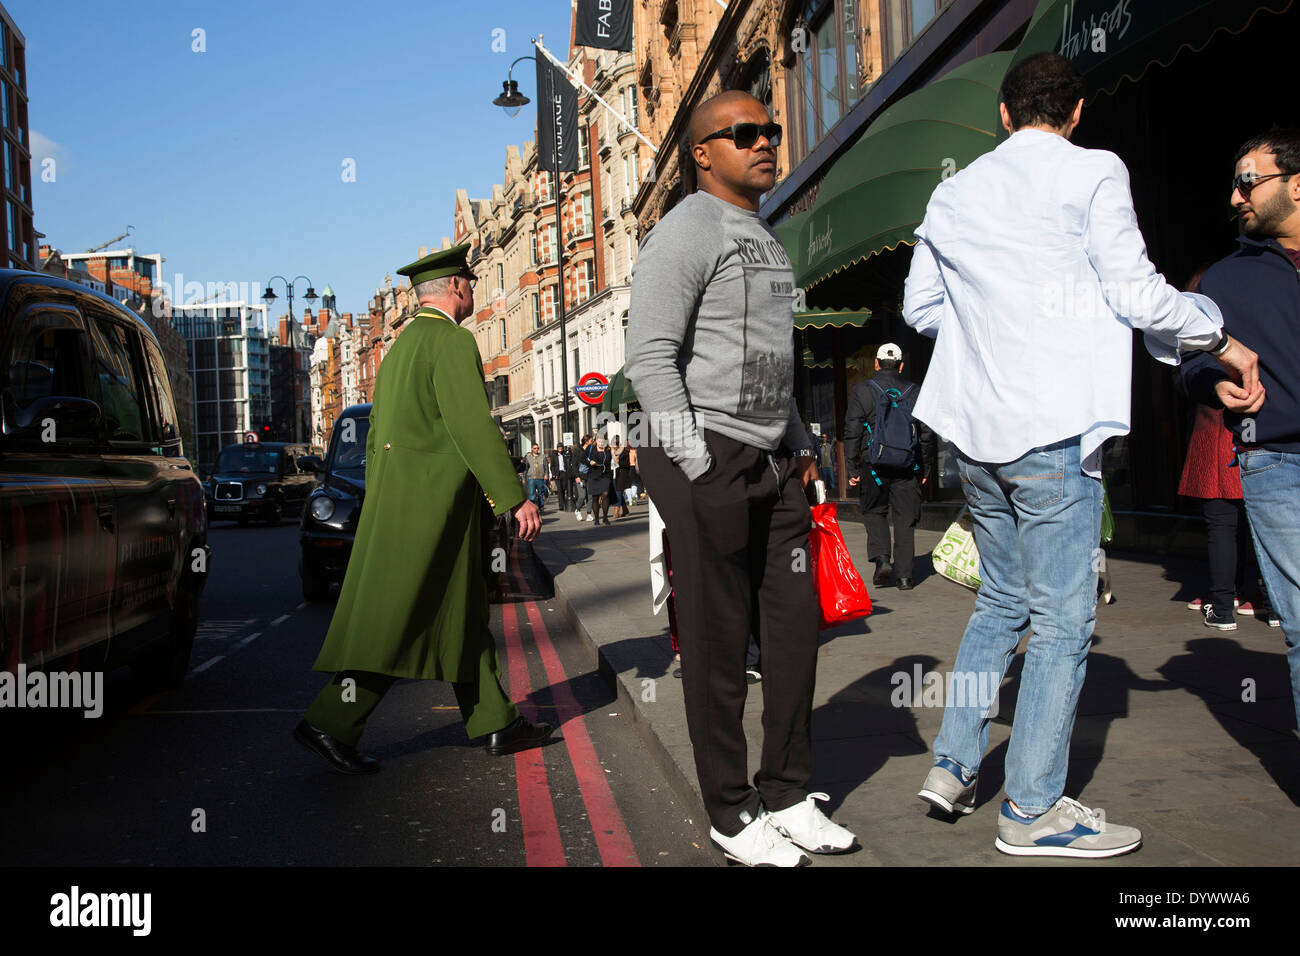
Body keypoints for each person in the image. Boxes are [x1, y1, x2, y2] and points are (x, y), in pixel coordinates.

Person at [902, 52, 1259, 858]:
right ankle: (1031, 812)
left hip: (972, 435)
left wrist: (990, 329)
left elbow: (920, 305)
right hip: (1051, 428)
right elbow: (1134, 292)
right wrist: (1218, 335)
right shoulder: (1095, 170)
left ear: (1002, 115)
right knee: (1063, 623)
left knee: (999, 601)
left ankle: (954, 765)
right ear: (1076, 112)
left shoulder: (953, 191)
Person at [627, 89, 856, 867]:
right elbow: (650, 358)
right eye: (745, 133)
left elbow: (770, 359)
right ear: (702, 153)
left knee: (793, 633)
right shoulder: (684, 231)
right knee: (721, 645)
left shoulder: (765, 234)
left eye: (772, 130)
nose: (766, 141)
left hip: (771, 461)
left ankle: (788, 792)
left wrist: (798, 446)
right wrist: (696, 460)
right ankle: (731, 811)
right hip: (708, 456)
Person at [295, 243, 554, 772]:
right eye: (471, 283)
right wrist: (515, 497)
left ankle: (497, 722)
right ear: (456, 287)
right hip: (437, 512)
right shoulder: (452, 342)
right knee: (401, 619)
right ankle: (329, 720)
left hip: (404, 504)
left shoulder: (402, 348)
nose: (474, 290)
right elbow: (472, 427)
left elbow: (380, 438)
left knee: (461, 614)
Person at [1181, 127, 1300, 733]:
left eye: (1249, 181)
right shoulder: (1225, 276)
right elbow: (1191, 358)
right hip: (1277, 461)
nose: (1236, 197)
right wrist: (1211, 382)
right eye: (1235, 185)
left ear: (1297, 185)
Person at [844, 344, 936, 590]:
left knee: (874, 511)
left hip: (873, 465)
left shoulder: (863, 391)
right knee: (905, 519)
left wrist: (852, 468)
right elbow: (926, 434)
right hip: (907, 465)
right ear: (901, 365)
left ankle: (882, 559)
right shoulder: (915, 391)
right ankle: (905, 577)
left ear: (876, 363)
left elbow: (852, 430)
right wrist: (925, 468)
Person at [584, 435, 614, 526]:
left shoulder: (608, 450)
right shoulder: (590, 449)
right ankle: (596, 519)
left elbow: (609, 462)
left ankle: (605, 517)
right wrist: (589, 462)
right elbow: (582, 459)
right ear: (596, 441)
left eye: (603, 441)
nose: (601, 443)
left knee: (605, 494)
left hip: (605, 475)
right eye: (599, 441)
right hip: (593, 475)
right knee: (595, 497)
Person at [522, 443, 548, 514]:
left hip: (540, 477)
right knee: (532, 494)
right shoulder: (528, 457)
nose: (536, 450)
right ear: (532, 449)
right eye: (535, 448)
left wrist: (546, 474)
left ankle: (541, 507)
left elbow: (546, 467)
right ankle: (532, 508)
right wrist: (524, 478)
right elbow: (525, 468)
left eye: (537, 448)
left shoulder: (543, 456)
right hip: (531, 478)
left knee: (541, 493)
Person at [548, 444, 572, 512]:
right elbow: (552, 466)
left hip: (564, 473)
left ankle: (565, 503)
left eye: (561, 447)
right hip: (557, 474)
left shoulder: (565, 455)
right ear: (557, 448)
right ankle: (561, 505)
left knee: (564, 488)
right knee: (559, 490)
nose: (560, 448)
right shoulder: (554, 456)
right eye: (559, 447)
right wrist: (554, 474)